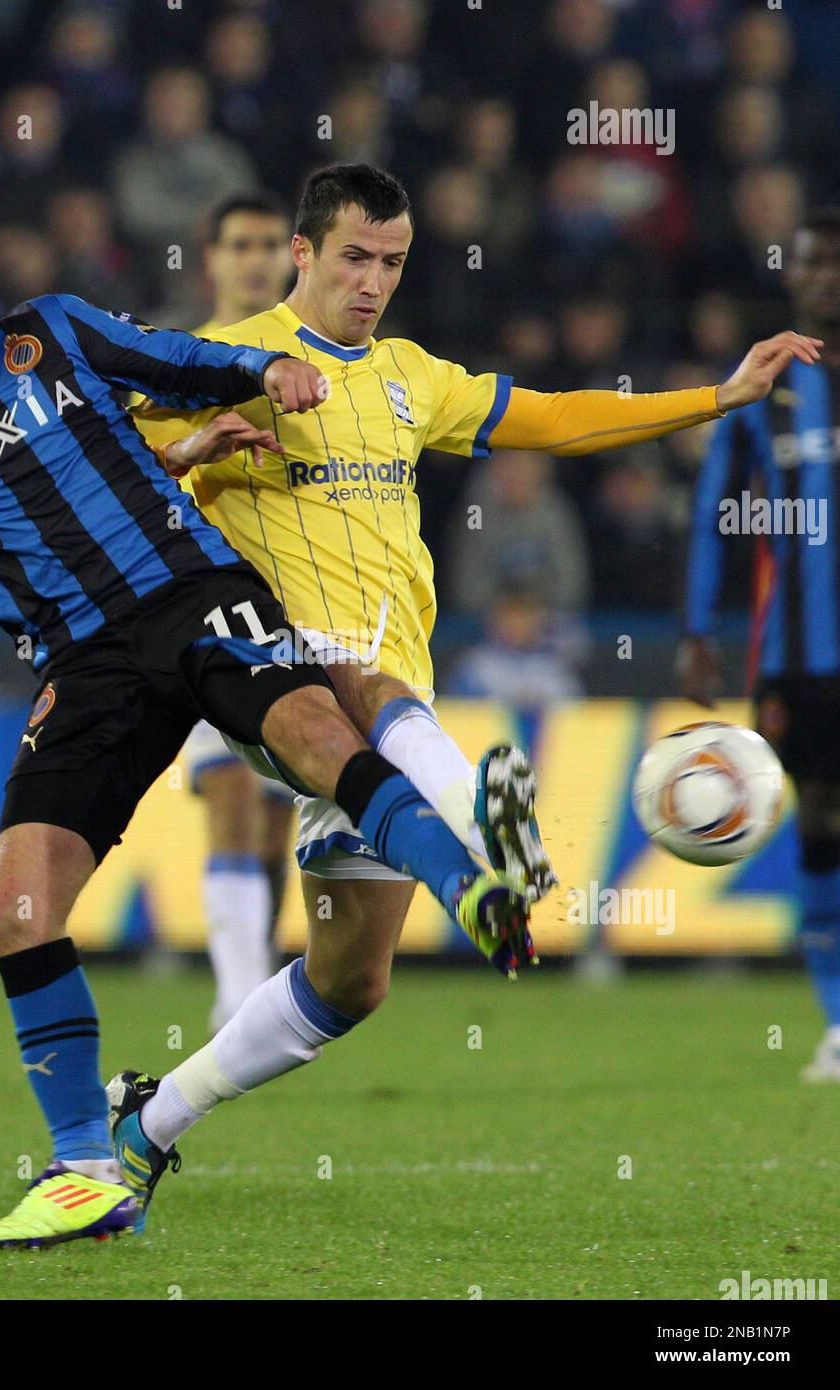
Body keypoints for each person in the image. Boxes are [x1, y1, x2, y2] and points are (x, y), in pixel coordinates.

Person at [0, 199, 540, 1249]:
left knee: (316, 737)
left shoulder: (50, 333)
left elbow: (183, 354)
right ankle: (87, 1167)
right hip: (87, 662)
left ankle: (470, 887)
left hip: (191, 594)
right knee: (14, 904)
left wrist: (263, 374)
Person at [121, 163, 818, 1231]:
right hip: (284, 688)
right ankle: (479, 815)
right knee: (359, 675)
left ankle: (150, 1121)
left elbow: (551, 417)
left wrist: (712, 397)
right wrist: (192, 446)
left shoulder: (407, 375)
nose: (372, 281)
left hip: (382, 717)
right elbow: (104, 469)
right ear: (302, 252)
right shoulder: (222, 360)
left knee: (350, 981)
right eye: (353, 256)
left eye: (392, 262)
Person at [679, 207, 840, 1082]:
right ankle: (837, 1023)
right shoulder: (763, 382)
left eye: (837, 265)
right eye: (814, 264)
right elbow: (712, 512)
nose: (826, 279)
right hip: (797, 657)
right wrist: (698, 626)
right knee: (817, 821)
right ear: (794, 275)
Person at [178, 194, 297, 1032]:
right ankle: (237, 1000)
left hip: (301, 611)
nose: (253, 260)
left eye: (267, 245)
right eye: (237, 245)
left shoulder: (319, 368)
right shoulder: (171, 364)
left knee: (278, 817)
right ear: (209, 258)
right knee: (229, 792)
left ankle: (256, 981)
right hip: (195, 613)